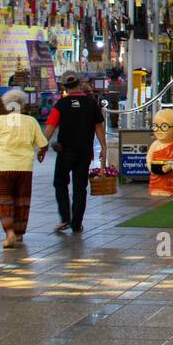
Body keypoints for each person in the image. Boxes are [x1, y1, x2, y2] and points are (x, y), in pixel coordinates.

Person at [37, 71, 106, 233]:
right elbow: (99, 127)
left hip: (65, 152)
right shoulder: (91, 103)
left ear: (64, 87)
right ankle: (76, 223)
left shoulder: (60, 105)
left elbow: (49, 130)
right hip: (84, 152)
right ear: (79, 83)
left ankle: (65, 218)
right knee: (80, 188)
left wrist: (42, 148)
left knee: (60, 183)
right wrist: (104, 146)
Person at [0, 89, 48, 248]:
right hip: (24, 167)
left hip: (3, 166)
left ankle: (9, 232)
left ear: (6, 106)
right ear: (22, 106)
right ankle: (18, 235)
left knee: (3, 200)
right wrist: (40, 154)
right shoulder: (31, 121)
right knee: (22, 200)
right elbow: (43, 144)